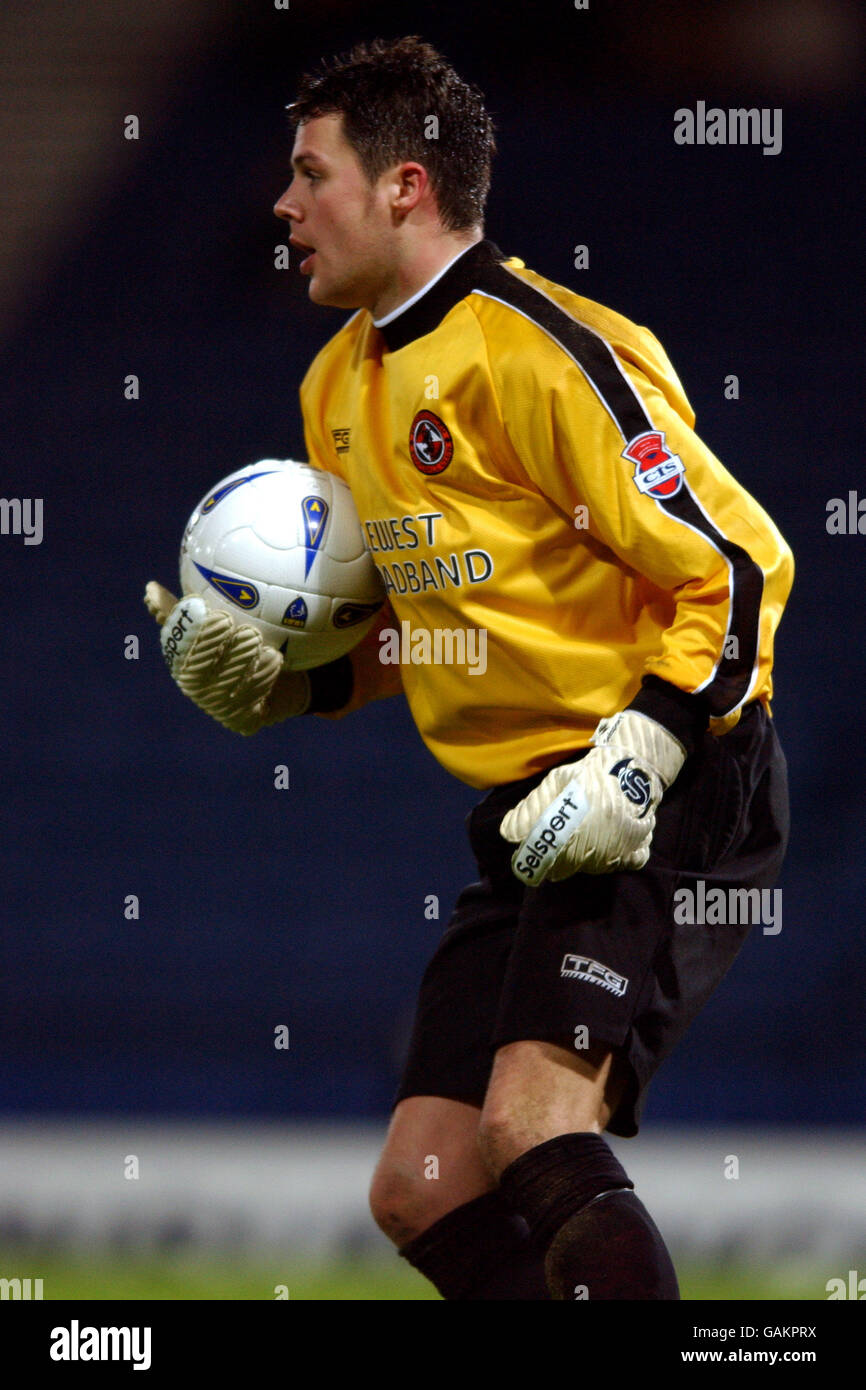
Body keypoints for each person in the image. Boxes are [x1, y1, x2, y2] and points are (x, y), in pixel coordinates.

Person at [145, 35, 793, 1300]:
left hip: (660, 775)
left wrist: (647, 746)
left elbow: (745, 562)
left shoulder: (541, 349)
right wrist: (297, 683)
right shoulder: (335, 382)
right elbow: (427, 621)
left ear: (403, 188)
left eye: (308, 172)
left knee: (532, 1126)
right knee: (421, 1185)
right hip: (526, 816)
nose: (282, 205)